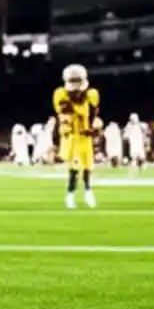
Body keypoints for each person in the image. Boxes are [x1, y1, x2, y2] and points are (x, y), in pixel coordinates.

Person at [54, 64, 99, 208]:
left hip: (85, 138)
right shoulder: (61, 95)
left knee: (87, 168)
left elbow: (92, 114)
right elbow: (64, 115)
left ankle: (88, 192)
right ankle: (70, 195)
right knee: (74, 169)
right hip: (73, 137)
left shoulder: (91, 95)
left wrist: (93, 128)